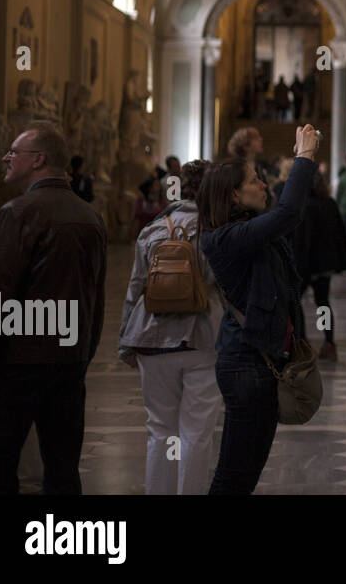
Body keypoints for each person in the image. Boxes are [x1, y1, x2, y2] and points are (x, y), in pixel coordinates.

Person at [0, 121, 107, 494]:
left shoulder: (18, 212)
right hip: (68, 363)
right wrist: (83, 354)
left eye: (13, 152)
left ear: (39, 160)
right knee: (63, 470)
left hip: (16, 364)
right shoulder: (90, 216)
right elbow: (93, 300)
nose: (5, 157)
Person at [198, 124, 321, 494]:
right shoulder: (224, 239)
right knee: (233, 476)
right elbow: (287, 215)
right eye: (254, 181)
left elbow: (283, 217)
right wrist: (304, 159)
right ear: (233, 195)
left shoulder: (249, 229)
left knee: (246, 475)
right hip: (245, 366)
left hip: (262, 363)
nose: (262, 185)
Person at [117, 159, 222, 494]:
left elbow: (135, 289)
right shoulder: (215, 231)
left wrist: (125, 342)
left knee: (160, 431)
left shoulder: (152, 229)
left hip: (152, 338)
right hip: (203, 340)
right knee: (196, 432)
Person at [291, 175, 346, 361]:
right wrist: (341, 262)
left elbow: (302, 239)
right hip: (324, 265)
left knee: (295, 302)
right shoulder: (329, 203)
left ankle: (302, 341)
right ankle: (328, 341)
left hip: (306, 265)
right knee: (322, 304)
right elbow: (341, 233)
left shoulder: (304, 205)